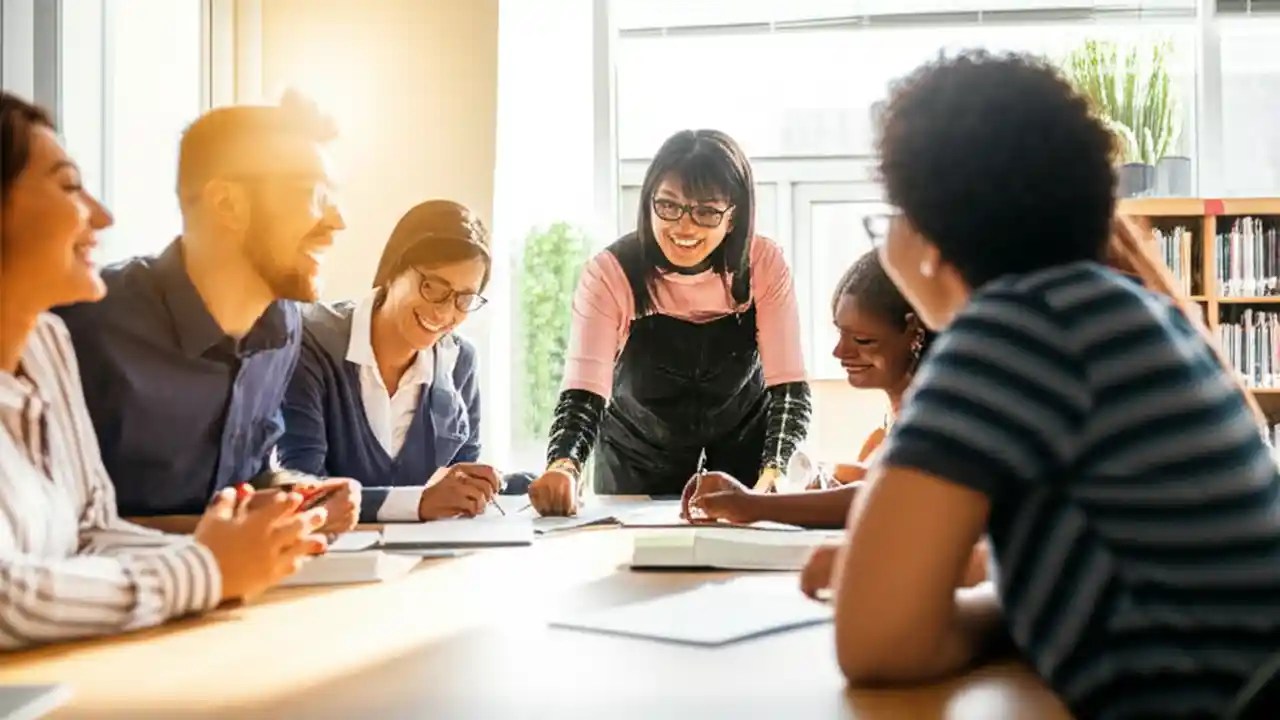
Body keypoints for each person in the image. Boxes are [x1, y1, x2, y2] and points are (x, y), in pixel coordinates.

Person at [802, 51, 1280, 720]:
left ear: (931, 238)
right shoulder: (1126, 313)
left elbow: (878, 642)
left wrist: (934, 606)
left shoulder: (1011, 333)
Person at [0, 91, 328, 649]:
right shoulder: (89, 329)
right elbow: (8, 600)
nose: (102, 215)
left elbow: (93, 530)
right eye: (69, 184)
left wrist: (257, 549)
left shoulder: (46, 342)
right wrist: (205, 570)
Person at [54, 91, 359, 534]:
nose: (338, 222)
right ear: (227, 204)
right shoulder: (80, 328)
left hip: (230, 594)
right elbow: (42, 531)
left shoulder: (283, 326)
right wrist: (213, 540)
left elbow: (241, 476)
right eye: (313, 194)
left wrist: (301, 495)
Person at [527, 129, 811, 516]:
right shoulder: (611, 273)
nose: (685, 227)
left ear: (733, 217)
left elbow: (789, 388)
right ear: (648, 203)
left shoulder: (762, 263)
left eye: (707, 211)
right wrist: (563, 466)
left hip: (745, 458)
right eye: (669, 206)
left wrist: (776, 471)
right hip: (635, 463)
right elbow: (583, 393)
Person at [279, 200, 526, 522]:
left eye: (463, 298)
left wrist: (530, 483)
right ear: (394, 270)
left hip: (424, 564)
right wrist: (417, 503)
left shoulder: (459, 362)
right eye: (432, 287)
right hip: (328, 562)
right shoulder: (311, 341)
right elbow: (302, 489)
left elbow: (461, 488)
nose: (444, 312)